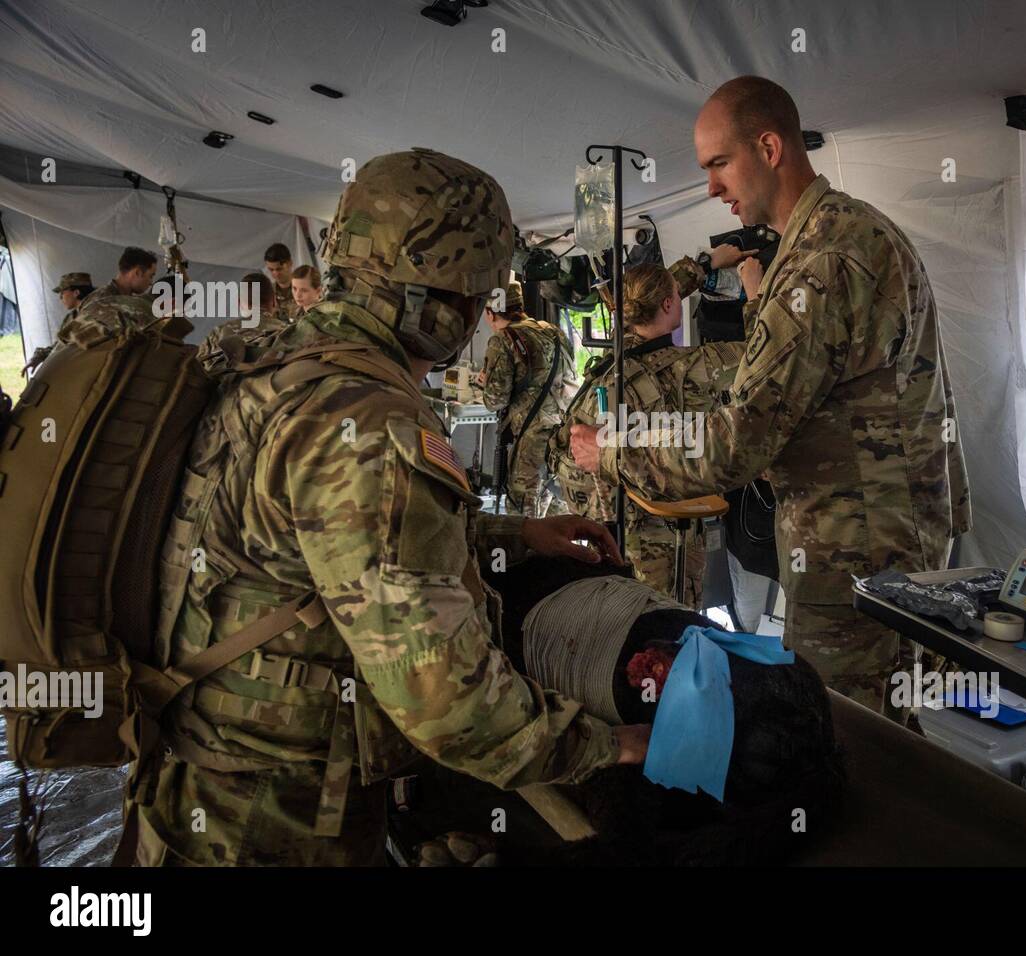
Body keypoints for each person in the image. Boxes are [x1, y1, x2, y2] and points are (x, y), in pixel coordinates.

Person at [125, 149, 648, 866]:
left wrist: (518, 533)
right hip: (272, 814)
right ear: (440, 299)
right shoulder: (367, 421)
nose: (473, 318)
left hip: (199, 765)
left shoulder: (273, 362)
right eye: (472, 298)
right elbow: (446, 702)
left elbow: (327, 540)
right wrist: (610, 745)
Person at [571, 75, 971, 717]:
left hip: (857, 551)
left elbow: (736, 441)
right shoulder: (849, 233)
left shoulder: (823, 262)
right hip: (883, 534)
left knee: (846, 732)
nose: (711, 188)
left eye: (719, 165)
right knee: (884, 726)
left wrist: (613, 451)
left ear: (769, 146)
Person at [551, 262, 743, 607]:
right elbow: (765, 351)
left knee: (623, 621)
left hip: (608, 526)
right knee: (670, 623)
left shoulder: (614, 362)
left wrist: (703, 266)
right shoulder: (697, 366)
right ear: (670, 305)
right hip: (666, 532)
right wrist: (756, 293)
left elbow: (644, 301)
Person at [478, 280, 575, 517]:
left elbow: (496, 401)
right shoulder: (554, 332)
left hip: (531, 445)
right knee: (559, 522)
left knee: (524, 523)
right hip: (565, 438)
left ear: (490, 313)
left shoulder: (503, 340)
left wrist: (485, 382)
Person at [194, 272, 285, 374]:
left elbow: (196, 368)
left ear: (239, 302)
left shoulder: (218, 333)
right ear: (274, 301)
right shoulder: (286, 331)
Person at [23, 272, 96, 372]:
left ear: (76, 293)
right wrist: (39, 356)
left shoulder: (95, 313)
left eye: (62, 293)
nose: (60, 297)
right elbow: (60, 345)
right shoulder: (71, 317)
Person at [263, 242, 295, 321]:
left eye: (279, 269)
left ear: (290, 263)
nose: (275, 274)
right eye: (271, 270)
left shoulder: (307, 287)